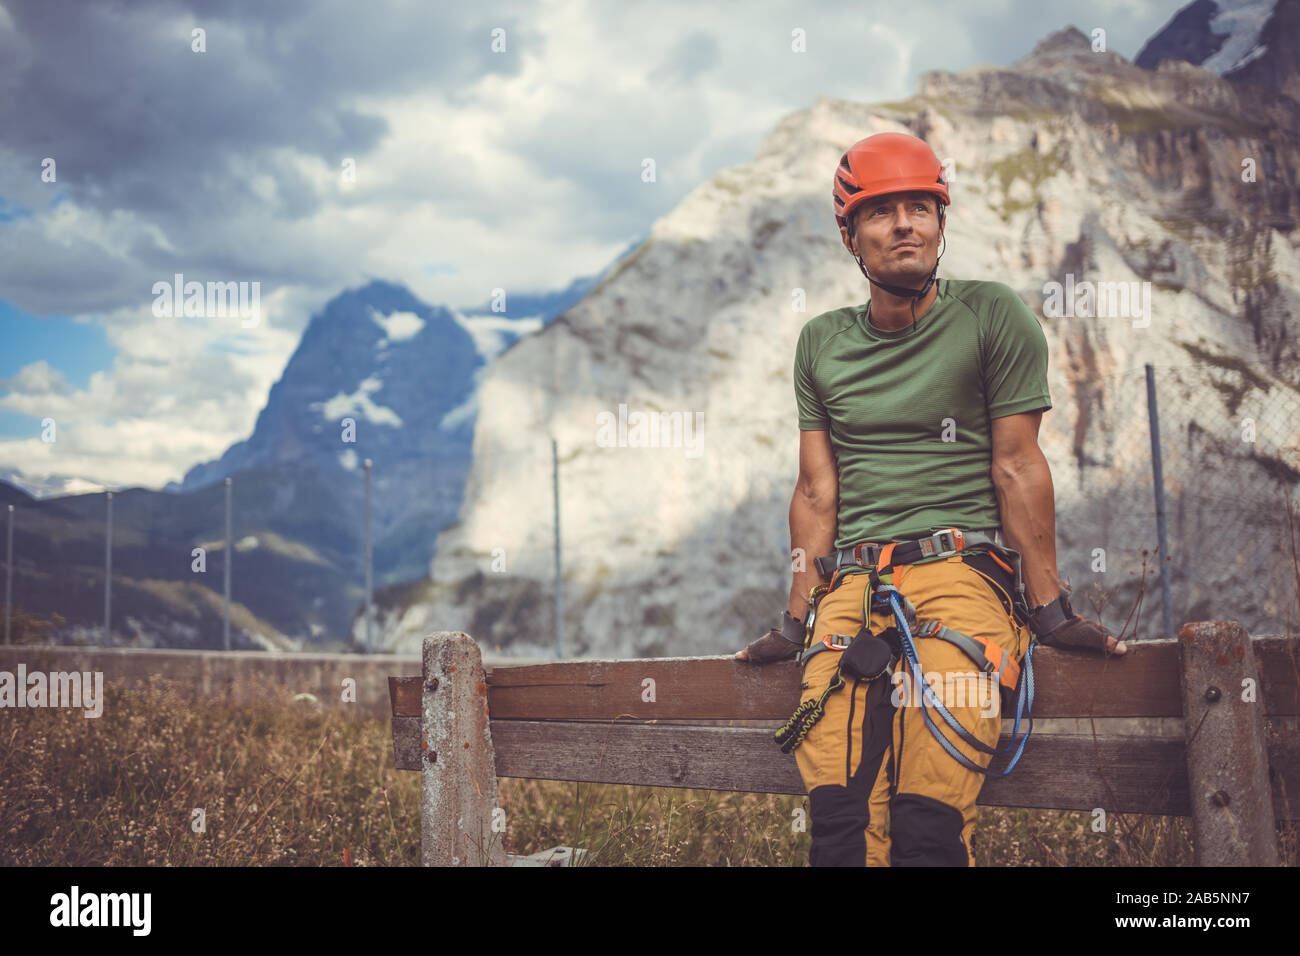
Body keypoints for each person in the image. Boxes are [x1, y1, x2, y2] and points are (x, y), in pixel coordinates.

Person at [735, 131, 1128, 867]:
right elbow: (817, 492)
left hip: (960, 580)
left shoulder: (991, 316)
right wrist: (795, 624)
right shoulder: (821, 343)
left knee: (927, 831)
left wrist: (1050, 610)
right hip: (851, 591)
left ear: (942, 225)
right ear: (851, 235)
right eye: (882, 213)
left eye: (922, 208)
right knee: (841, 831)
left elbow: (1017, 467)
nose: (906, 225)